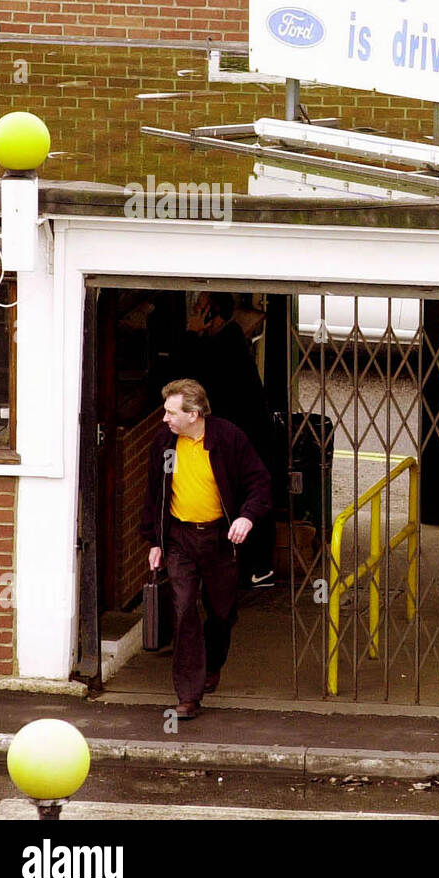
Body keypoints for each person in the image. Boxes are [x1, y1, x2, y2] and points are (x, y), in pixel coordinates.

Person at [139, 379, 272, 719]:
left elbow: (259, 482)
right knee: (184, 609)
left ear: (193, 414)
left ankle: (213, 665)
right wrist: (155, 540)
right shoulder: (165, 443)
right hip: (180, 538)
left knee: (221, 613)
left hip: (219, 538)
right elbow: (155, 494)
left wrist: (246, 518)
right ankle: (188, 696)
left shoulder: (228, 438)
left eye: (170, 412)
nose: (164, 419)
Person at [179, 291, 277, 588]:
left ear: (212, 313)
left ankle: (253, 568)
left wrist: (190, 334)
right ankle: (256, 567)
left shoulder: (220, 346)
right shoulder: (230, 338)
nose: (194, 311)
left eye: (199, 308)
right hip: (248, 433)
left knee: (241, 497)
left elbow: (187, 377)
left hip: (243, 437)